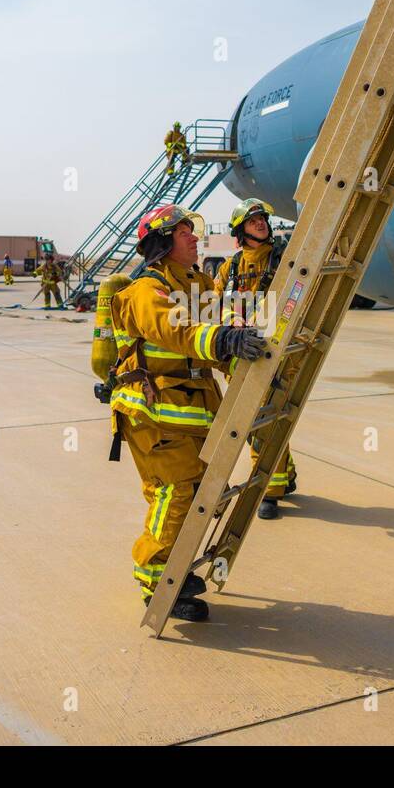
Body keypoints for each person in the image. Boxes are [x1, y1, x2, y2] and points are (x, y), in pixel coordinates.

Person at [108, 204, 264, 621]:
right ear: (162, 243)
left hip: (190, 409)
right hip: (154, 413)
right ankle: (155, 582)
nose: (195, 237)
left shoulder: (196, 281)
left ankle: (173, 572)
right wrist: (225, 342)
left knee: (196, 494)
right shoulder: (146, 290)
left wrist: (242, 344)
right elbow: (177, 329)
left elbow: (219, 313)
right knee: (173, 494)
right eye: (184, 233)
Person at [214, 198, 297, 520]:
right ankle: (282, 475)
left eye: (262, 219)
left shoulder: (283, 259)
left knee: (267, 417)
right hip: (241, 353)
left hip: (276, 351)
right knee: (257, 420)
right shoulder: (230, 267)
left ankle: (270, 491)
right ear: (241, 230)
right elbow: (216, 301)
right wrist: (230, 318)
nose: (260, 223)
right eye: (252, 221)